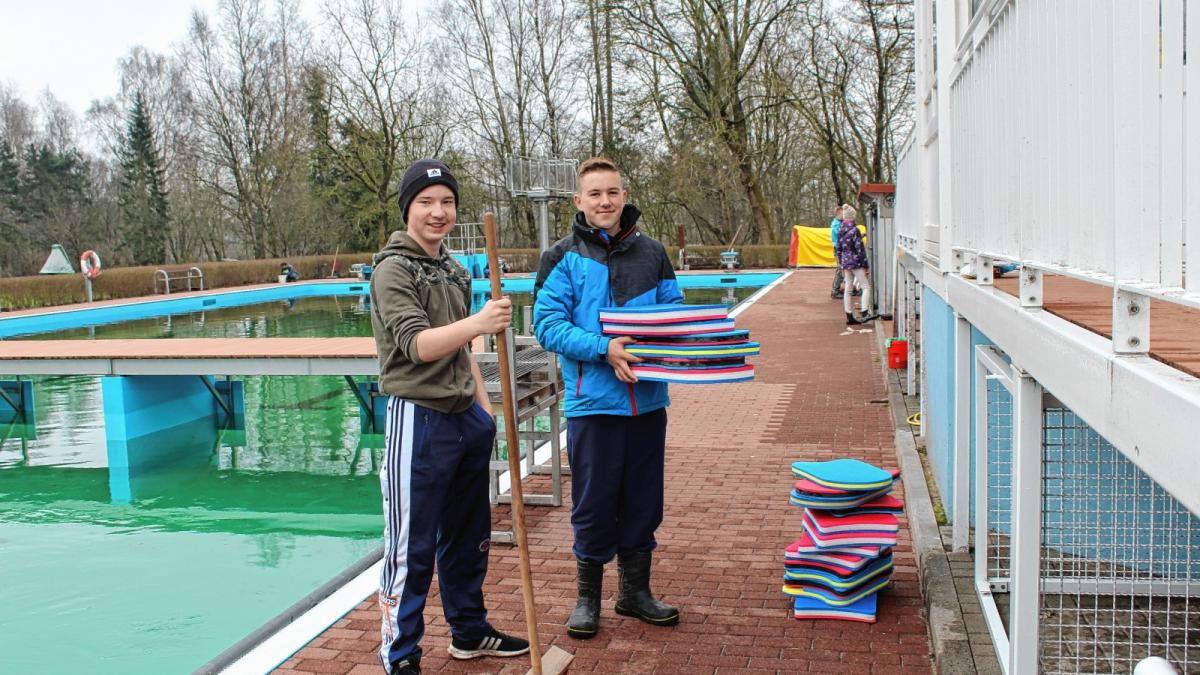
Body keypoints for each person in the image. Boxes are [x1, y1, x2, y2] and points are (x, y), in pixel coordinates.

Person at [369, 158, 527, 675]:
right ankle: (401, 655)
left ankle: (469, 631)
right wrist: (480, 320)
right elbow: (418, 345)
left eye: (447, 202)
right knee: (410, 547)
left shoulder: (454, 270)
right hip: (420, 421)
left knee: (468, 537)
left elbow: (462, 351)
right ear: (408, 209)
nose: (439, 213)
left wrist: (485, 412)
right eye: (426, 202)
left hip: (465, 421)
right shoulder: (392, 270)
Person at [533, 156, 683, 640]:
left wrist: (673, 347)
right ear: (579, 201)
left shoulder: (653, 253)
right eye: (595, 194)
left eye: (612, 192)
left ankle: (634, 593)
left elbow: (673, 317)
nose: (605, 201)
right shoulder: (561, 257)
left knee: (644, 500)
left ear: (624, 196)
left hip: (647, 402)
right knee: (594, 503)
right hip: (592, 404)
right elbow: (547, 326)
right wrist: (604, 349)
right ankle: (587, 598)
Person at [835, 204, 873, 325]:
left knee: (848, 289)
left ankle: (849, 315)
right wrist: (865, 264)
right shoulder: (855, 230)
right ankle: (865, 312)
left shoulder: (840, 230)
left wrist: (841, 263)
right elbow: (860, 249)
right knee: (866, 287)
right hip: (856, 262)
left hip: (846, 263)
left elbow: (838, 249)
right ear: (853, 216)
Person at [829, 205, 844, 299]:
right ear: (838, 213)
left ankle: (837, 289)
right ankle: (835, 290)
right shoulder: (836, 225)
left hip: (839, 248)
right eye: (843, 213)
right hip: (839, 248)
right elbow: (839, 235)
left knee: (841, 269)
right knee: (840, 269)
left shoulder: (838, 223)